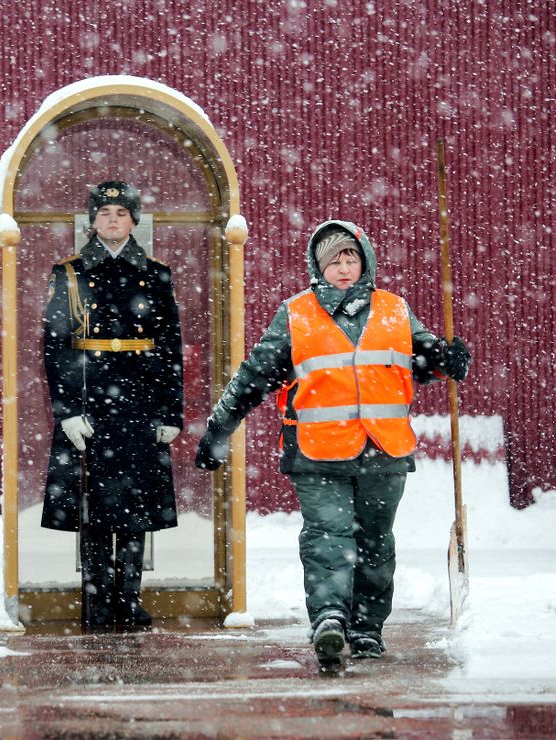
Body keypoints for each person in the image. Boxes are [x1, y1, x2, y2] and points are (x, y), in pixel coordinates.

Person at [194, 219, 471, 669]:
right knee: (327, 540)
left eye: (350, 258)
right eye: (333, 261)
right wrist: (219, 429)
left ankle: (366, 630)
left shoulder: (394, 310)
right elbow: (254, 377)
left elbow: (420, 361)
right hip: (317, 454)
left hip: (384, 452)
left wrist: (445, 358)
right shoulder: (296, 313)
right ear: (316, 267)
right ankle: (329, 620)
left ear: (364, 262)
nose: (343, 268)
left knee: (376, 545)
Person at [41, 180, 184, 632]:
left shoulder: (157, 272)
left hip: (141, 401)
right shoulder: (70, 272)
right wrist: (66, 411)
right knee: (94, 510)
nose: (113, 221)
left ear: (135, 221)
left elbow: (170, 347)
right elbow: (54, 347)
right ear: (92, 221)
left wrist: (171, 413)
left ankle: (130, 599)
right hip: (91, 398)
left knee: (136, 510)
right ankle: (97, 602)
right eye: (105, 214)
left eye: (121, 213)